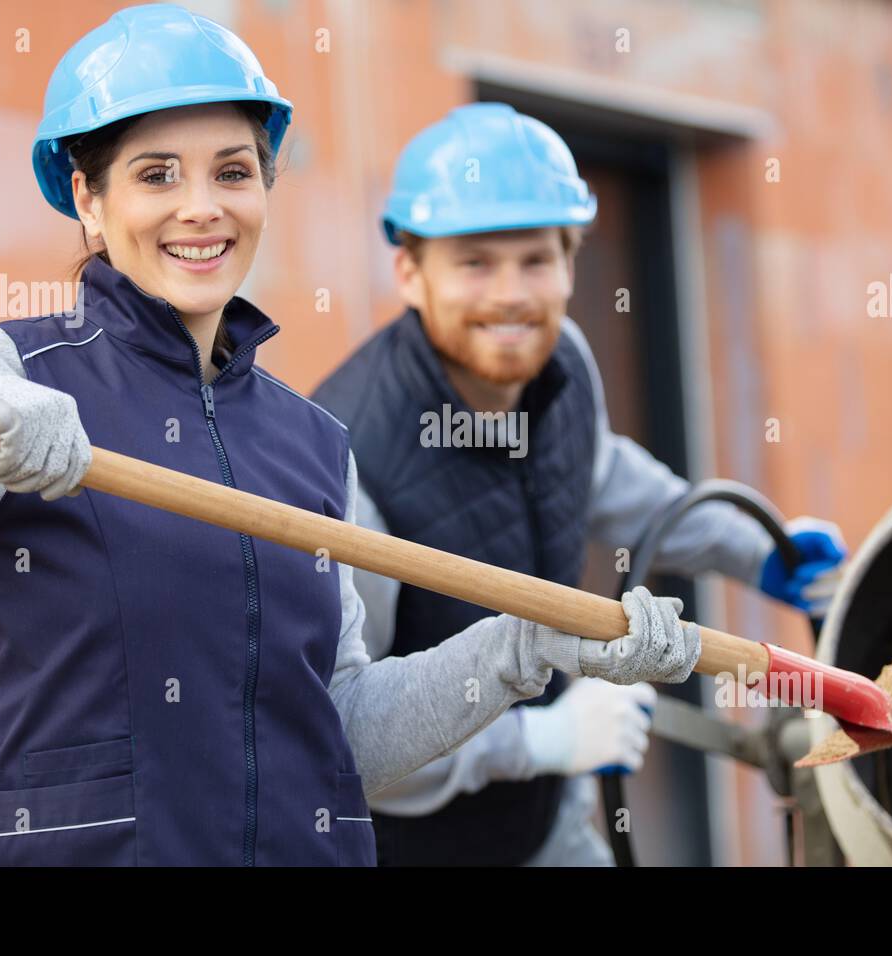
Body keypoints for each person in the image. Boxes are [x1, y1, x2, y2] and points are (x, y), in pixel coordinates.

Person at [0, 5, 697, 866]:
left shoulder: (311, 444)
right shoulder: (14, 384)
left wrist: (525, 644)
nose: (201, 208)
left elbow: (342, 731)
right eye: (157, 174)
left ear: (266, 187)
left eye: (233, 172)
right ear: (88, 198)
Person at [313, 103, 847, 866]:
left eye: (536, 260)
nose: (510, 295)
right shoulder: (346, 462)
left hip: (548, 826)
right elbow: (348, 737)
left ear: (571, 263)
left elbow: (602, 474)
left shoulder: (563, 363)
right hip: (417, 848)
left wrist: (760, 553)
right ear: (409, 271)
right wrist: (539, 740)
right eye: (474, 263)